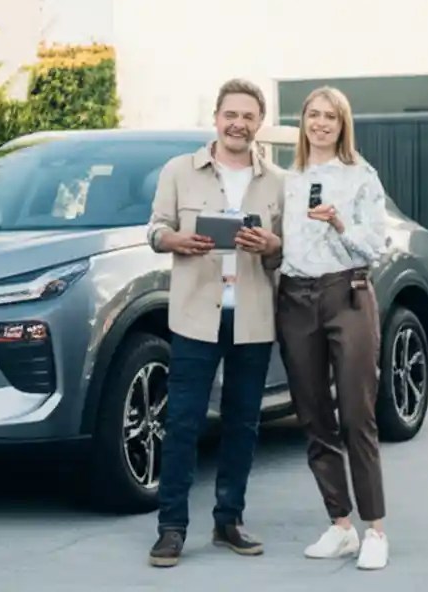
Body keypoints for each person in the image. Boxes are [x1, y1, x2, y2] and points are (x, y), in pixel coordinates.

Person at [144, 78, 285, 568]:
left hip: (252, 318)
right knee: (182, 422)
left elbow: (286, 256)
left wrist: (272, 249)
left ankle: (229, 520)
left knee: (243, 424)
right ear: (217, 118)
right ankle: (171, 528)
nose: (239, 124)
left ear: (258, 124)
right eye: (232, 114)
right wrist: (175, 241)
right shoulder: (180, 171)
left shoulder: (277, 182)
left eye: (248, 116)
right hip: (195, 314)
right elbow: (155, 229)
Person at [276, 85, 392, 571]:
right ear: (303, 121)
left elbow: (376, 246)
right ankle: (340, 524)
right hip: (295, 297)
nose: (320, 123)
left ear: (343, 124)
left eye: (331, 117)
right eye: (313, 115)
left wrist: (341, 224)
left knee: (356, 416)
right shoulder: (290, 178)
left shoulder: (361, 176)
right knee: (312, 414)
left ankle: (375, 530)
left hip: (346, 294)